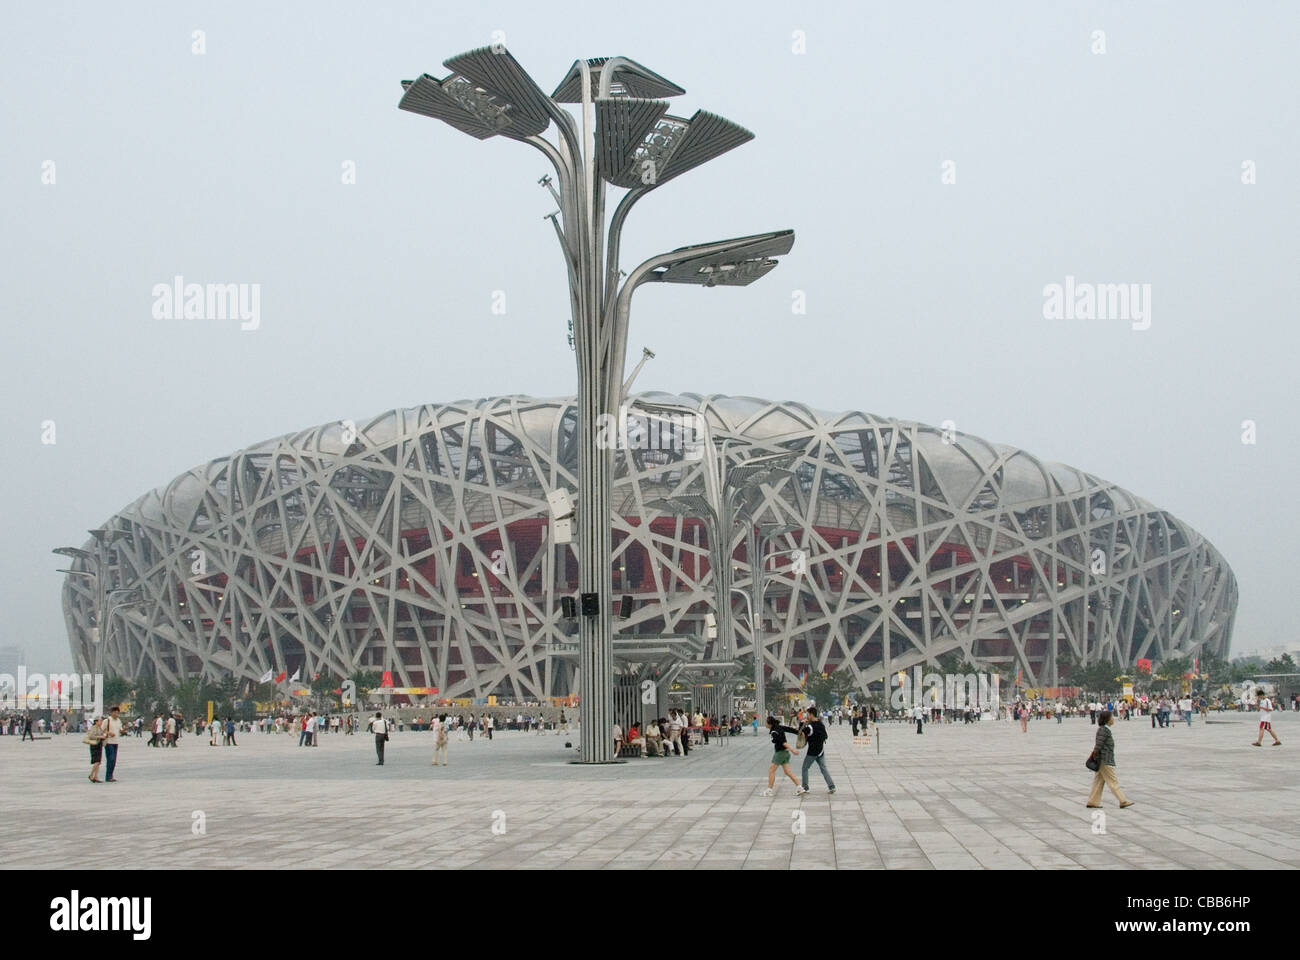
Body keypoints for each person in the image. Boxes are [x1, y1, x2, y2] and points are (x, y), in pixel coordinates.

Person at [1086, 711, 1133, 809]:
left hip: (1103, 758)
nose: (1113, 719)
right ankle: (1122, 800)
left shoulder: (1104, 730)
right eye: (1112, 717)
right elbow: (1098, 745)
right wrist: (1095, 756)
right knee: (1113, 780)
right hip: (1104, 759)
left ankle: (1093, 801)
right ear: (1107, 719)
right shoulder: (1103, 730)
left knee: (1098, 781)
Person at [762, 716, 803, 797]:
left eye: (766, 722)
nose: (765, 724)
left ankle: (769, 790)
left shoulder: (774, 732)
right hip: (785, 753)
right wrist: (798, 732)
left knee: (771, 771)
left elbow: (783, 742)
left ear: (770, 724)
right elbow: (789, 729)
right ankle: (799, 787)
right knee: (788, 772)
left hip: (780, 753)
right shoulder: (778, 727)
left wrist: (793, 750)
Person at [799, 707, 836, 795]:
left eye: (807, 714)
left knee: (805, 768)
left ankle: (805, 787)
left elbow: (801, 734)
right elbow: (825, 736)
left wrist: (801, 724)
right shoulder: (820, 723)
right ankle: (831, 786)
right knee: (823, 769)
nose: (806, 716)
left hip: (812, 751)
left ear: (811, 714)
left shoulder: (810, 726)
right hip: (821, 750)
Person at [103, 706, 124, 782]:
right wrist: (109, 733)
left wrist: (123, 731)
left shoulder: (118, 720)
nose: (116, 714)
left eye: (118, 713)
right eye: (115, 712)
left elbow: (120, 729)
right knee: (110, 759)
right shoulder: (107, 720)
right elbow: (101, 730)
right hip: (108, 742)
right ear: (111, 713)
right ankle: (108, 777)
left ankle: (111, 775)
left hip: (116, 742)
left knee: (114, 760)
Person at [85, 715, 108, 782]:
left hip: (99, 745)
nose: (101, 722)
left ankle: (96, 776)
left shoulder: (99, 728)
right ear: (96, 721)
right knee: (96, 761)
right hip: (94, 745)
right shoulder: (93, 728)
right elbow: (91, 736)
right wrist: (101, 737)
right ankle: (91, 775)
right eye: (100, 721)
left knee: (98, 762)